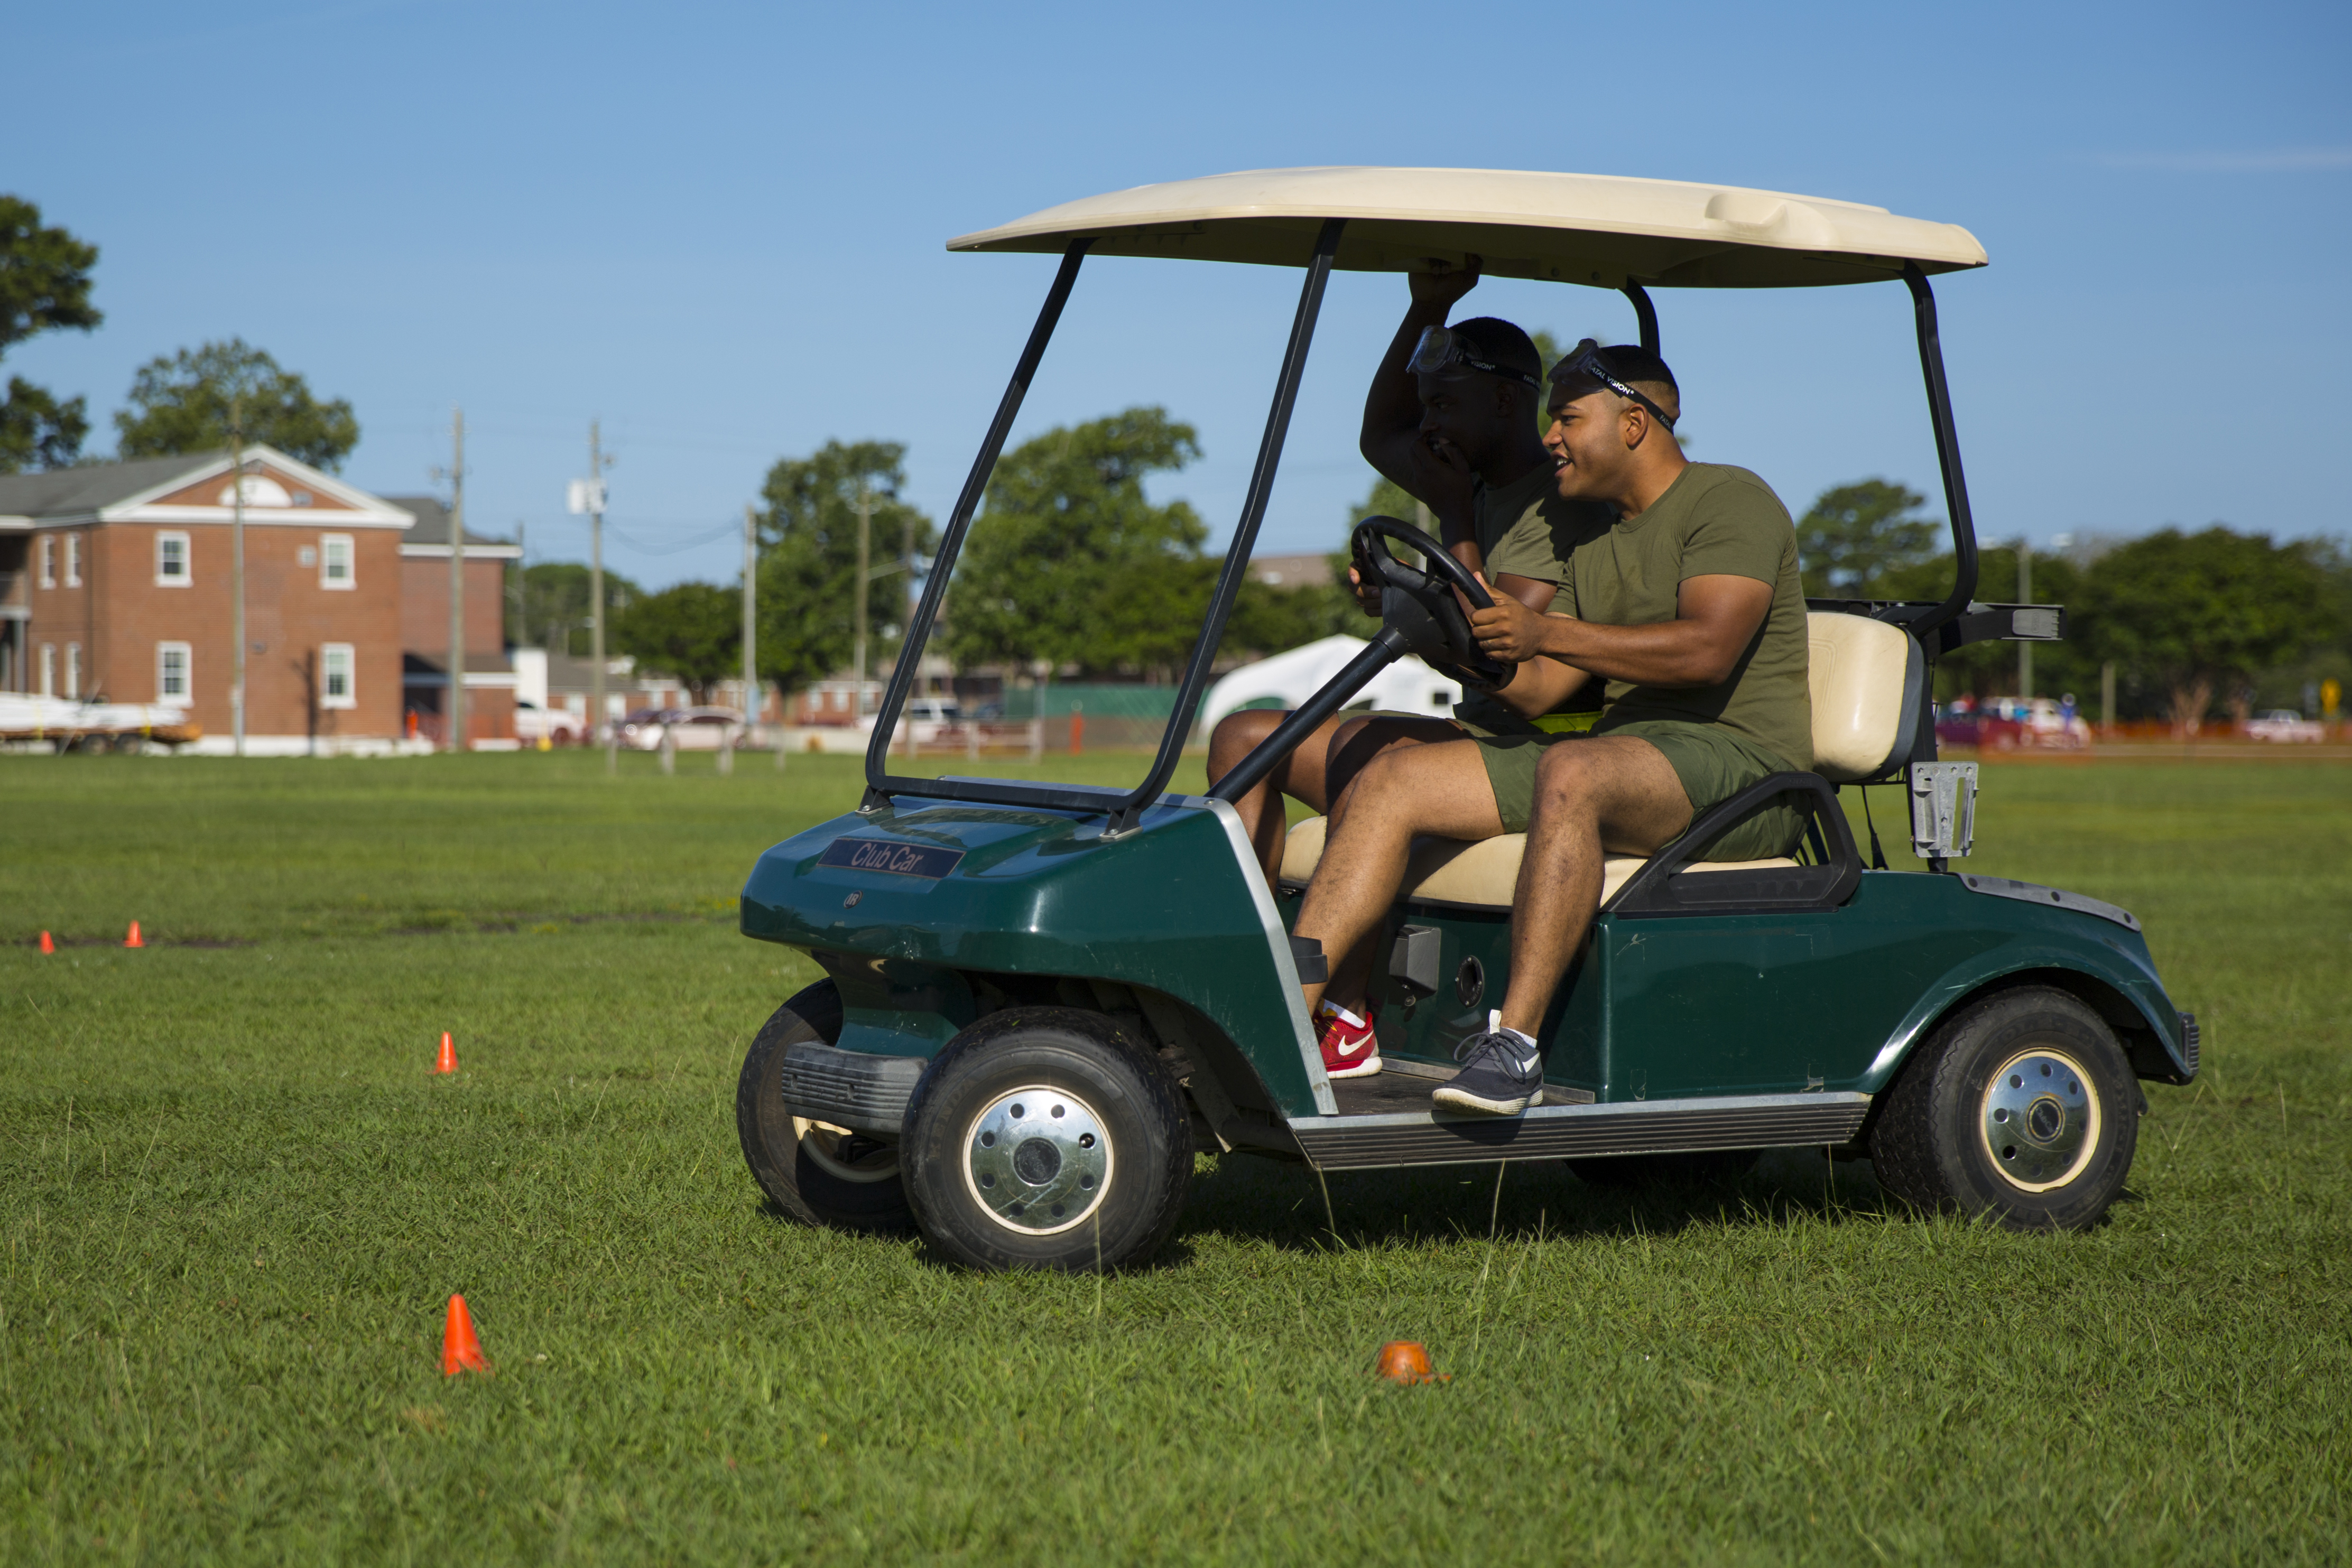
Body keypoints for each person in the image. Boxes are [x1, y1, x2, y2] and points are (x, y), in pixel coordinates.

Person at [1288, 338, 1812, 1116]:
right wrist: (1427, 615)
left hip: (1746, 772)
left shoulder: (1728, 499)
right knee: (1390, 775)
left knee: (1572, 769)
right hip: (1630, 756)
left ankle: (1515, 1048)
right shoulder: (1590, 536)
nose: (1549, 439)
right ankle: (1291, 1021)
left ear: (1633, 422)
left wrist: (1549, 635)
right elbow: (1539, 689)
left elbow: (1707, 649)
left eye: (1567, 417)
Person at [1205, 261, 1606, 1081]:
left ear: (1505, 401)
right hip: (1479, 734)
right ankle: (1235, 964)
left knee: (1388, 770)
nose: (1426, 425)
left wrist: (1449, 523)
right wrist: (1428, 305)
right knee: (1247, 736)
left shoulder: (1558, 501)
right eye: (1427, 405)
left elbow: (1488, 638)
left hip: (1550, 742)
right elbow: (1376, 433)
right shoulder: (1467, 469)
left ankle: (1336, 1016)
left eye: (1444, 403)